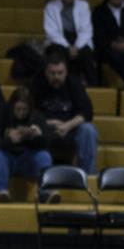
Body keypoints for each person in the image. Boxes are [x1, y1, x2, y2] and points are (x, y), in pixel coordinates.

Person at [32, 47, 99, 175]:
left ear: (66, 72)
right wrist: (51, 123)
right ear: (45, 72)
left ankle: (87, 176)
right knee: (33, 130)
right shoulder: (36, 83)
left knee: (88, 130)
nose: (56, 76)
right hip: (45, 128)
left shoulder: (74, 83)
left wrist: (67, 125)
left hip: (71, 128)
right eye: (52, 73)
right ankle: (41, 176)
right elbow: (30, 114)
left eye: (60, 73)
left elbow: (87, 112)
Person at [0, 87, 52, 202]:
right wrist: (9, 141)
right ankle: (2, 192)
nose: (21, 113)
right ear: (12, 107)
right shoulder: (1, 114)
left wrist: (39, 137)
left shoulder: (37, 116)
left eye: (24, 110)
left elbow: (47, 143)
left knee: (44, 156)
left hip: (26, 159)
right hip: (6, 159)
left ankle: (45, 192)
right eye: (18, 109)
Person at [42, 0, 97, 83]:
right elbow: (52, 33)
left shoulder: (83, 5)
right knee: (57, 54)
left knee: (87, 55)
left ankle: (93, 87)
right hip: (59, 42)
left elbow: (86, 30)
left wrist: (76, 47)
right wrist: (68, 47)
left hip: (79, 40)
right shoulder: (51, 7)